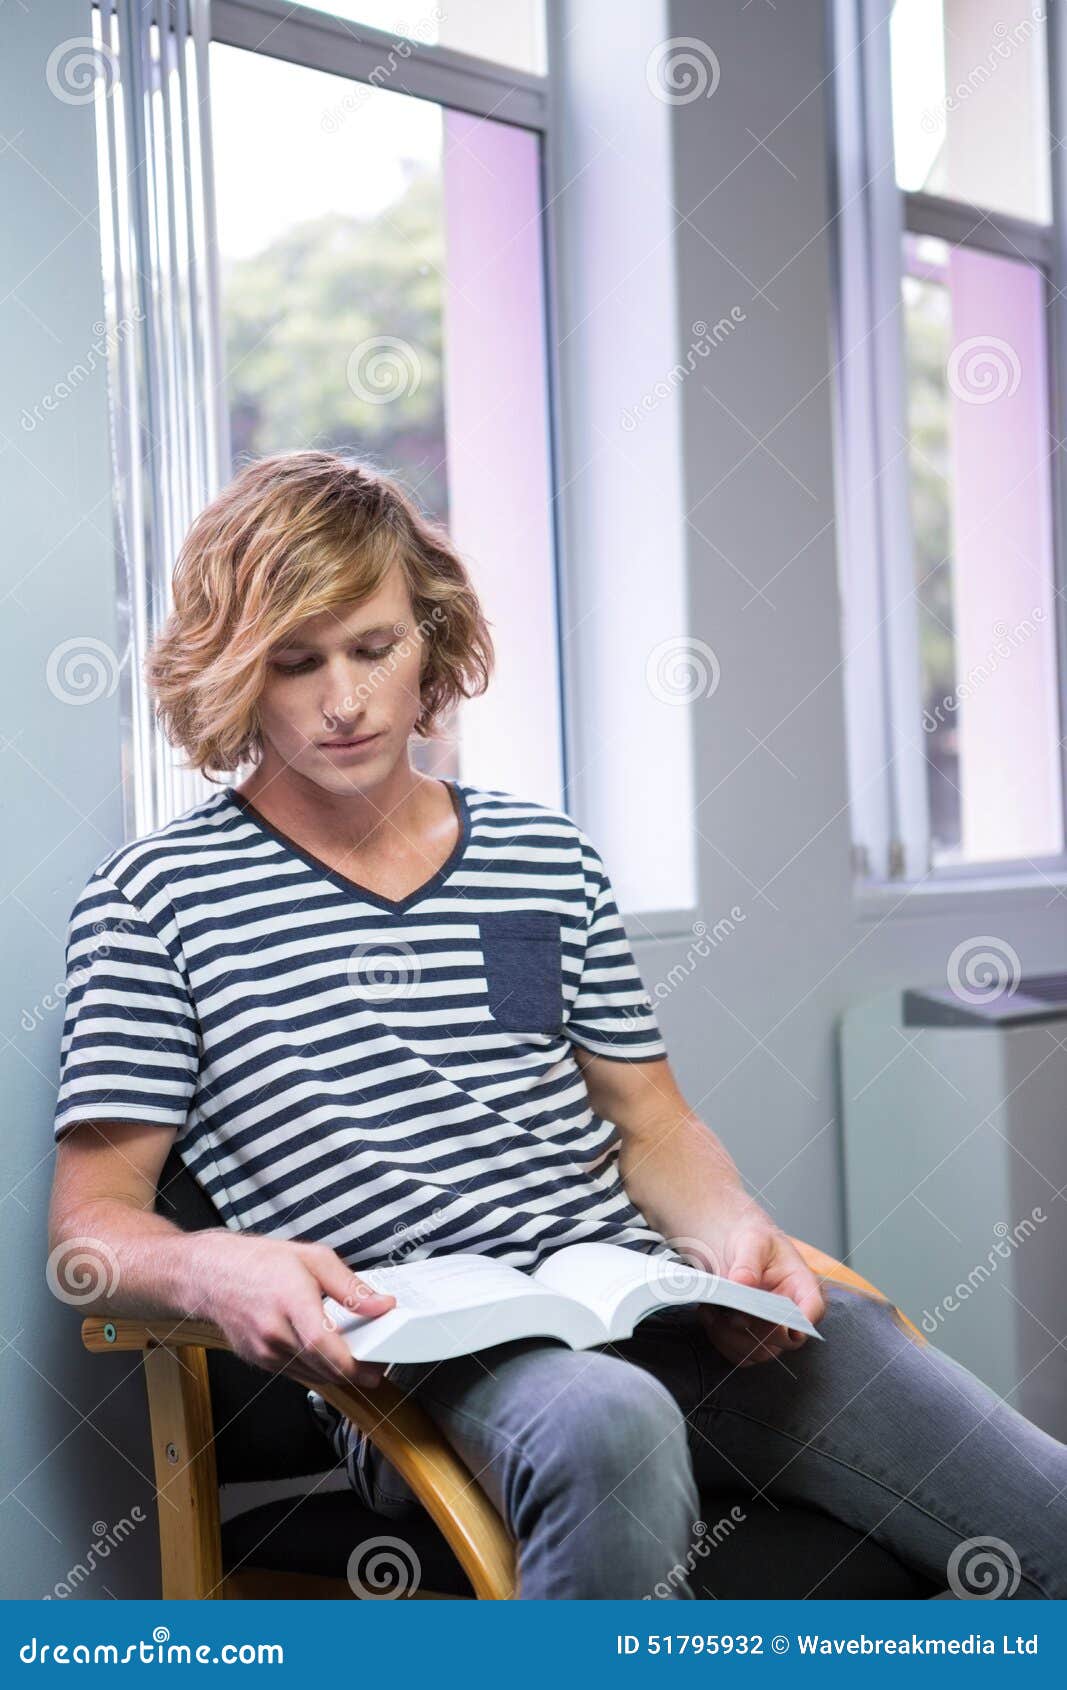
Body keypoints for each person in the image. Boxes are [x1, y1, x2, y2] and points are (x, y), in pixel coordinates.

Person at [47, 451, 1067, 1601]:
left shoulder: (542, 853)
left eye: (373, 648)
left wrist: (730, 1224)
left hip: (653, 1307)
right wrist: (211, 1268)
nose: (342, 701)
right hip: (430, 1365)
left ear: (428, 637)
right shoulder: (155, 900)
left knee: (1034, 1507)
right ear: (237, 673)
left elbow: (653, 1126)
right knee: (607, 1418)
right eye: (294, 663)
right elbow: (91, 1236)